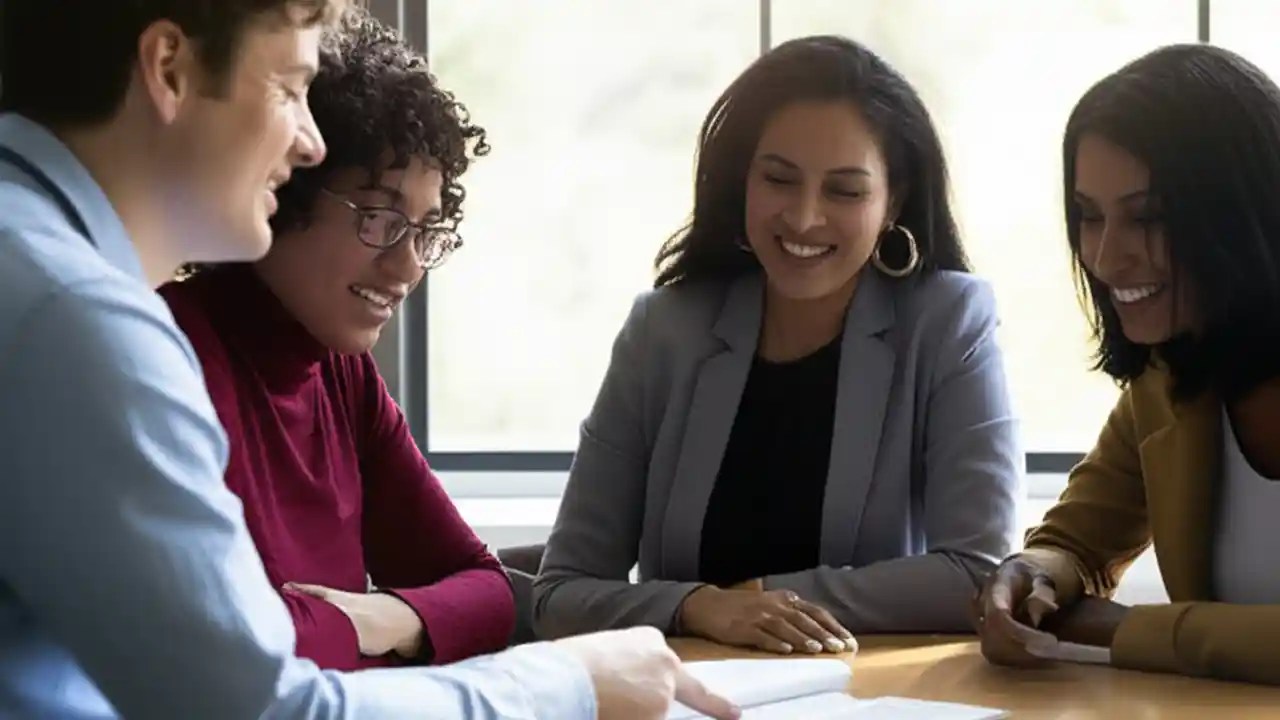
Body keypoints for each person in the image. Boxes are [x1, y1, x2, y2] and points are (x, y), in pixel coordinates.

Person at [0, 2, 738, 718]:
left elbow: (489, 589)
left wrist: (380, 617)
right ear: (168, 68)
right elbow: (264, 703)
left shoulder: (42, 268)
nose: (308, 144)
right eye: (289, 87)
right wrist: (567, 684)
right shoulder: (80, 319)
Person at [534, 34, 1022, 655]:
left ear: (891, 200)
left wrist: (761, 598)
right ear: (743, 180)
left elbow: (981, 572)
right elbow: (559, 595)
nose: (804, 218)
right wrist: (698, 606)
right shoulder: (663, 331)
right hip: (686, 695)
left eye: (844, 190)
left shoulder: (949, 321)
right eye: (779, 180)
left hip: (867, 698)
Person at [160, 8, 510, 672]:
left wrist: (387, 616)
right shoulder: (168, 353)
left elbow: (489, 591)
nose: (407, 266)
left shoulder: (342, 376)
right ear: (287, 190)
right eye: (378, 218)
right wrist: (369, 625)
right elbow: (242, 649)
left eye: (426, 230)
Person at [973, 43, 1280, 687]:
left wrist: (1120, 630)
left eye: (1150, 217)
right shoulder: (1168, 375)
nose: (1108, 257)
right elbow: (1077, 546)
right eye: (1089, 216)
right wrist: (1028, 579)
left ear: (1245, 212)